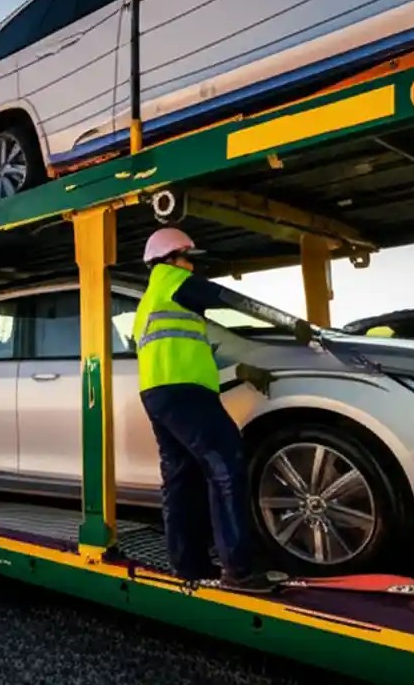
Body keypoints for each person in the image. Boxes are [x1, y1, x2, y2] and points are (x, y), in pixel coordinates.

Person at [133, 227, 312, 592]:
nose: (193, 267)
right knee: (226, 465)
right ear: (172, 258)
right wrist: (291, 324)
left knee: (180, 477)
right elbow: (229, 299)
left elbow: (186, 350)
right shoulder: (173, 280)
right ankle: (240, 571)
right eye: (189, 259)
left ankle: (189, 564)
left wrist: (238, 372)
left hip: (159, 394)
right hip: (185, 394)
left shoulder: (150, 302)